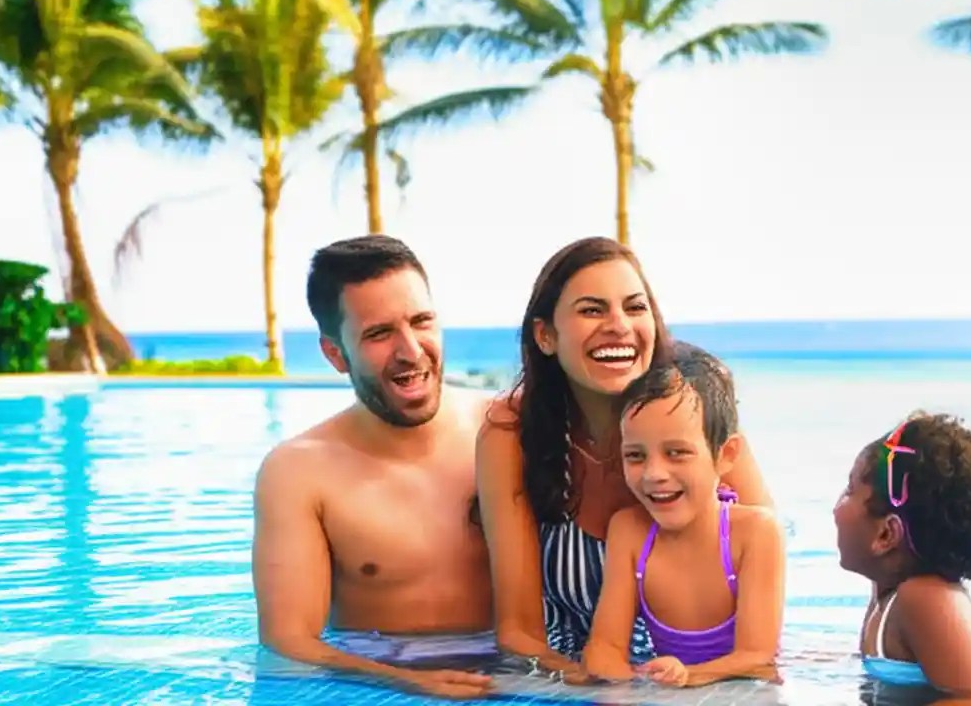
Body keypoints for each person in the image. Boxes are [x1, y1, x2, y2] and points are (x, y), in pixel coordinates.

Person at [475, 236, 775, 676]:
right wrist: (601, 690)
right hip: (572, 675)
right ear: (546, 335)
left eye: (635, 308)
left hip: (699, 680)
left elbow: (763, 573)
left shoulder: (692, 412)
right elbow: (520, 632)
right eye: (592, 310)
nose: (619, 325)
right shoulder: (512, 433)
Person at [252, 235, 495, 700]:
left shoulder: (502, 428)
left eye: (422, 321)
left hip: (515, 678)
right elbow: (289, 641)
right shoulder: (298, 473)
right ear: (335, 354)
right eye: (379, 334)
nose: (411, 351)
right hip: (383, 685)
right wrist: (409, 684)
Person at [582, 345, 785, 688]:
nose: (654, 474)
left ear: (725, 455)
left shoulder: (755, 534)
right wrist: (631, 688)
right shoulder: (630, 531)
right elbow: (605, 647)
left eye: (677, 452)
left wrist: (690, 676)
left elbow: (757, 657)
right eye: (635, 455)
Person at [832, 412, 971, 698]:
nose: (835, 508)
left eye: (849, 490)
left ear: (886, 535)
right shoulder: (886, 595)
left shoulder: (925, 597)